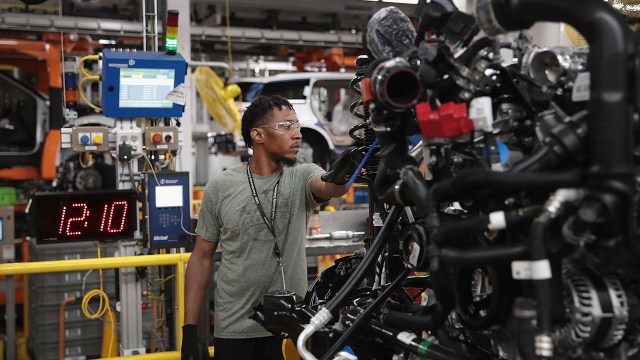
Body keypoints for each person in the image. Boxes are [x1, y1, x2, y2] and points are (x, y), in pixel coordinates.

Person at [181, 95, 357, 360]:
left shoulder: (301, 174)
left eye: (297, 126)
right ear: (258, 135)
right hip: (235, 328)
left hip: (292, 327)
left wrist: (349, 165)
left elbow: (330, 187)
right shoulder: (221, 187)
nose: (297, 134)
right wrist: (190, 330)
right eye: (287, 126)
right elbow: (201, 257)